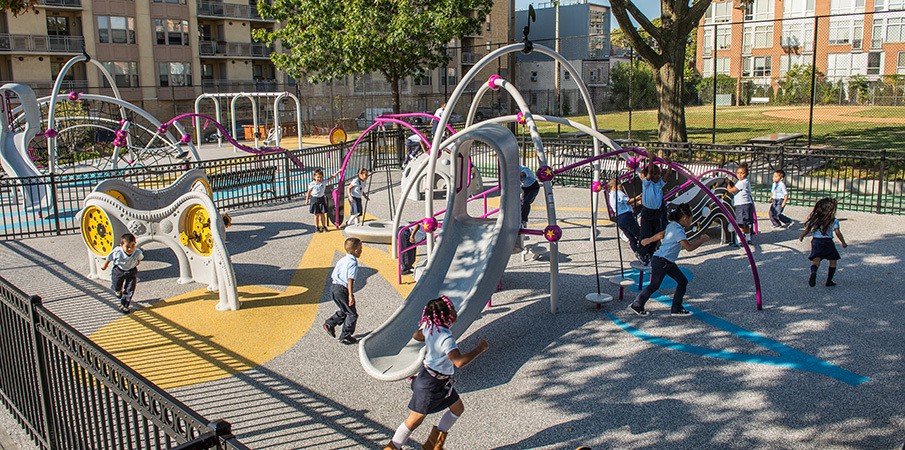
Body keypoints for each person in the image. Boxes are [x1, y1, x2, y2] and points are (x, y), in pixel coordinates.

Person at [384, 296, 489, 450]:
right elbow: (458, 361)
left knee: (457, 408)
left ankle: (433, 445)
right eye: (453, 309)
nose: (456, 311)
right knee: (414, 420)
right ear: (447, 316)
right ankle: (393, 447)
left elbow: (416, 335)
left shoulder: (431, 328)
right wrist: (479, 348)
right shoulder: (447, 338)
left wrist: (428, 334)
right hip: (430, 383)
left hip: (439, 381)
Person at [629, 203, 709, 317]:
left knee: (682, 281)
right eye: (691, 219)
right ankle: (637, 304)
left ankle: (676, 308)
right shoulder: (679, 231)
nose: (691, 222)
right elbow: (688, 247)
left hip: (666, 261)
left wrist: (648, 240)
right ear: (685, 218)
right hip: (662, 261)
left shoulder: (672, 225)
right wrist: (702, 240)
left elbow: (661, 234)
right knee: (654, 285)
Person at [799, 197, 847, 287]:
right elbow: (837, 232)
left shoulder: (815, 219)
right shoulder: (833, 220)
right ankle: (829, 281)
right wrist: (843, 242)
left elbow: (807, 229)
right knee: (833, 261)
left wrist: (802, 236)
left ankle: (813, 271)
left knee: (816, 260)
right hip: (828, 242)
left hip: (816, 241)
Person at [323, 238, 363, 344]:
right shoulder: (353, 262)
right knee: (352, 314)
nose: (361, 251)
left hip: (334, 287)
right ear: (355, 250)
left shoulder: (342, 260)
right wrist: (350, 295)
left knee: (344, 309)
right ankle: (345, 335)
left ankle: (330, 323)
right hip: (343, 289)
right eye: (360, 249)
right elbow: (350, 279)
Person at [637, 160, 671, 265]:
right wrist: (650, 160)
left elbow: (667, 176)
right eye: (655, 174)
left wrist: (669, 166)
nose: (657, 176)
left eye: (658, 174)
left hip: (657, 213)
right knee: (646, 234)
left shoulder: (659, 184)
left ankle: (650, 254)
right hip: (647, 213)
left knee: (656, 235)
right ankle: (641, 253)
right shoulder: (647, 184)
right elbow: (650, 172)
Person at [100, 233, 143, 314]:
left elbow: (139, 258)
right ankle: (118, 290)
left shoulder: (137, 252)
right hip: (119, 270)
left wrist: (137, 263)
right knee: (116, 284)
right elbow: (109, 258)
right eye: (127, 247)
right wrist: (105, 265)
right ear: (121, 245)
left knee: (130, 288)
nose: (130, 249)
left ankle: (125, 305)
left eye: (133, 246)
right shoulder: (117, 251)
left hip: (131, 271)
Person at [607, 178, 643, 261]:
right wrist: (638, 197)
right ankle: (645, 251)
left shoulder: (610, 195)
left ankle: (637, 252)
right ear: (614, 187)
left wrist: (637, 203)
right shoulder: (618, 192)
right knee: (639, 234)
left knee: (631, 238)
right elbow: (628, 202)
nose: (621, 188)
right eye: (619, 186)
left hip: (619, 219)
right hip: (627, 217)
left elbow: (622, 206)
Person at [725, 163, 754, 245]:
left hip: (742, 205)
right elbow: (738, 187)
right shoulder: (744, 181)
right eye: (738, 173)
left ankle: (740, 240)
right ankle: (748, 239)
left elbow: (730, 190)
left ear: (746, 174)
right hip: (747, 204)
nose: (740, 175)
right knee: (746, 223)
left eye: (742, 173)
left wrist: (728, 184)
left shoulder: (742, 182)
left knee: (740, 223)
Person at [306, 168, 340, 233]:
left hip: (321, 199)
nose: (319, 179)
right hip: (314, 199)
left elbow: (331, 177)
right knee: (316, 214)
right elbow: (308, 192)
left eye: (321, 177)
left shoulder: (323, 182)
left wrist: (338, 172)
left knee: (322, 214)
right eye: (318, 177)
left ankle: (324, 226)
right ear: (314, 177)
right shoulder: (312, 184)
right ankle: (317, 227)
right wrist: (307, 199)